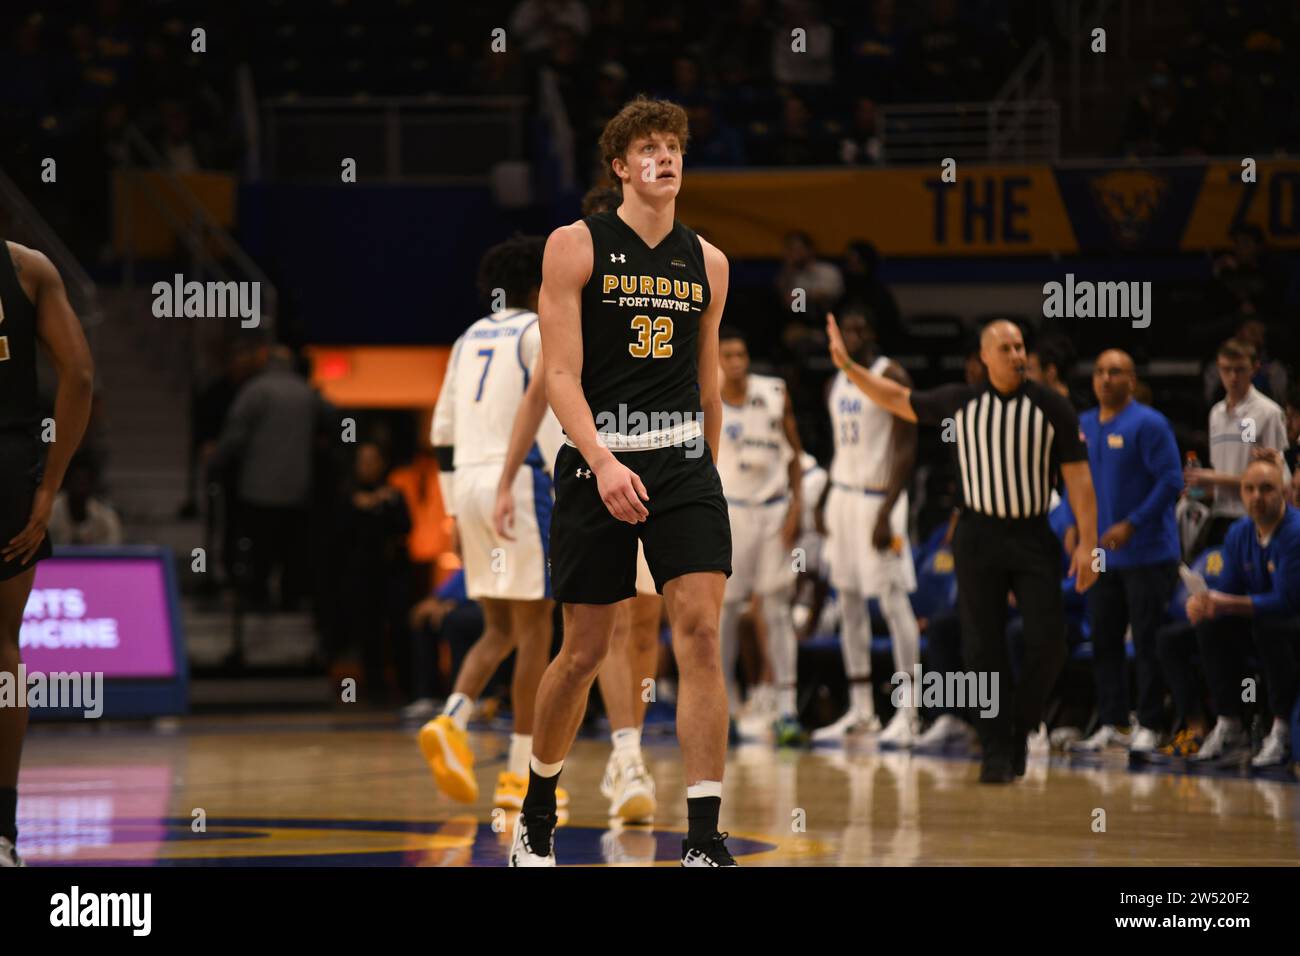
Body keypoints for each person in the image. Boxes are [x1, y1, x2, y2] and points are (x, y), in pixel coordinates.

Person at [513, 97, 735, 867]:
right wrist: (602, 461)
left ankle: (704, 837)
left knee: (701, 634)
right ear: (620, 166)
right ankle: (536, 808)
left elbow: (710, 389)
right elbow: (560, 375)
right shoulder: (575, 247)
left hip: (681, 463)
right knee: (583, 650)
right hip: (596, 457)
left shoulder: (708, 262)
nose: (665, 158)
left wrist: (706, 466)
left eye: (674, 146)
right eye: (648, 148)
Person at [827, 315, 1099, 783]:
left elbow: (1079, 481)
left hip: (1033, 535)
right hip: (979, 535)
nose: (1017, 355)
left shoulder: (1053, 406)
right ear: (984, 357)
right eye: (1006, 348)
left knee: (1050, 642)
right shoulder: (961, 402)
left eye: (1020, 347)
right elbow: (895, 398)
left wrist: (1089, 544)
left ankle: (1022, 723)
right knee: (982, 648)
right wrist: (848, 366)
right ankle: (995, 750)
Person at [493, 182, 661, 823]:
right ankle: (619, 756)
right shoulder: (577, 278)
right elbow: (540, 391)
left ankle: (631, 751)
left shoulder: (673, 274)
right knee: (599, 630)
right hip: (594, 469)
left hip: (663, 463)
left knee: (646, 624)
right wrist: (509, 476)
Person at [419, 235, 566, 812]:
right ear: (537, 284)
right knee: (537, 634)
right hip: (520, 483)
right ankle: (519, 775)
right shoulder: (536, 332)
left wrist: (454, 509)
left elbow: (441, 433)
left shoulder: (466, 339)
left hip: (473, 487)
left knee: (499, 629)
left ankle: (452, 717)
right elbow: (550, 413)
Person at [0, 240, 95, 867]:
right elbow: (81, 376)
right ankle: (3, 833)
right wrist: (49, 484)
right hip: (7, 471)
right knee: (4, 649)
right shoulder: (28, 268)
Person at [1057, 351, 1183, 754]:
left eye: (1115, 372)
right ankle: (1112, 720)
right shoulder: (1084, 425)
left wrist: (1132, 523)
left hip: (1148, 553)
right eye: (1099, 372)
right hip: (1099, 555)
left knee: (1146, 641)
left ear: (1131, 379)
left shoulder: (1149, 423)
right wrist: (1074, 527)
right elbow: (1074, 483)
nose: (1105, 379)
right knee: (1104, 639)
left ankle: (1150, 722)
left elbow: (1171, 481)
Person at [814, 307, 921, 747]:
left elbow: (906, 445)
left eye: (860, 327)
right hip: (844, 497)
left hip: (880, 499)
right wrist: (827, 499)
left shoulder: (888, 371)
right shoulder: (834, 381)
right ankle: (862, 712)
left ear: (872, 332)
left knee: (894, 605)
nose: (854, 334)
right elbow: (841, 447)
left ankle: (909, 711)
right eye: (847, 327)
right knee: (850, 604)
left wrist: (888, 508)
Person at [715, 326, 806, 745]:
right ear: (717, 359)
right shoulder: (704, 396)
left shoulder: (774, 392)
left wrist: (797, 508)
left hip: (772, 513)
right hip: (729, 512)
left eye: (741, 354)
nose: (736, 362)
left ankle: (786, 711)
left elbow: (795, 455)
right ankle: (727, 709)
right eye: (728, 355)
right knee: (726, 613)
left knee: (776, 610)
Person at [1184, 455, 1299, 768]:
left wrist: (1227, 603)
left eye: (1266, 489)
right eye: (1249, 489)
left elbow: (1287, 601)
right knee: (1200, 629)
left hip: (1290, 625)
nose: (1256, 498)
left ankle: (1282, 727)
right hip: (1259, 620)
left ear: (1285, 493)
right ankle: (1228, 723)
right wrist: (1206, 602)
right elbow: (1229, 588)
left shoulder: (1294, 533)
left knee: (1269, 627)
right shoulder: (1238, 533)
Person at [210, 344, 332, 611]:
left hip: (258, 487)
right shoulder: (307, 393)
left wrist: (217, 461)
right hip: (297, 487)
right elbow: (334, 420)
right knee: (291, 550)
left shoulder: (256, 391)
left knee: (260, 549)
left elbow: (235, 435)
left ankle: (258, 596)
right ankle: (290, 598)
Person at [1186, 338, 1291, 547]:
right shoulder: (1215, 414)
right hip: (1220, 515)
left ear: (1254, 369)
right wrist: (1197, 489)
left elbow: (1279, 477)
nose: (1233, 377)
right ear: (1218, 369)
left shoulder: (1268, 413)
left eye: (1240, 369)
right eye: (1227, 369)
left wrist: (1214, 477)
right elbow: (1219, 479)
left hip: (1254, 517)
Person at [46, 456, 122, 546]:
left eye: (84, 483)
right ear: (66, 482)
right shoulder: (48, 513)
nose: (80, 488)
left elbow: (114, 551)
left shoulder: (106, 517)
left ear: (92, 485)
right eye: (76, 480)